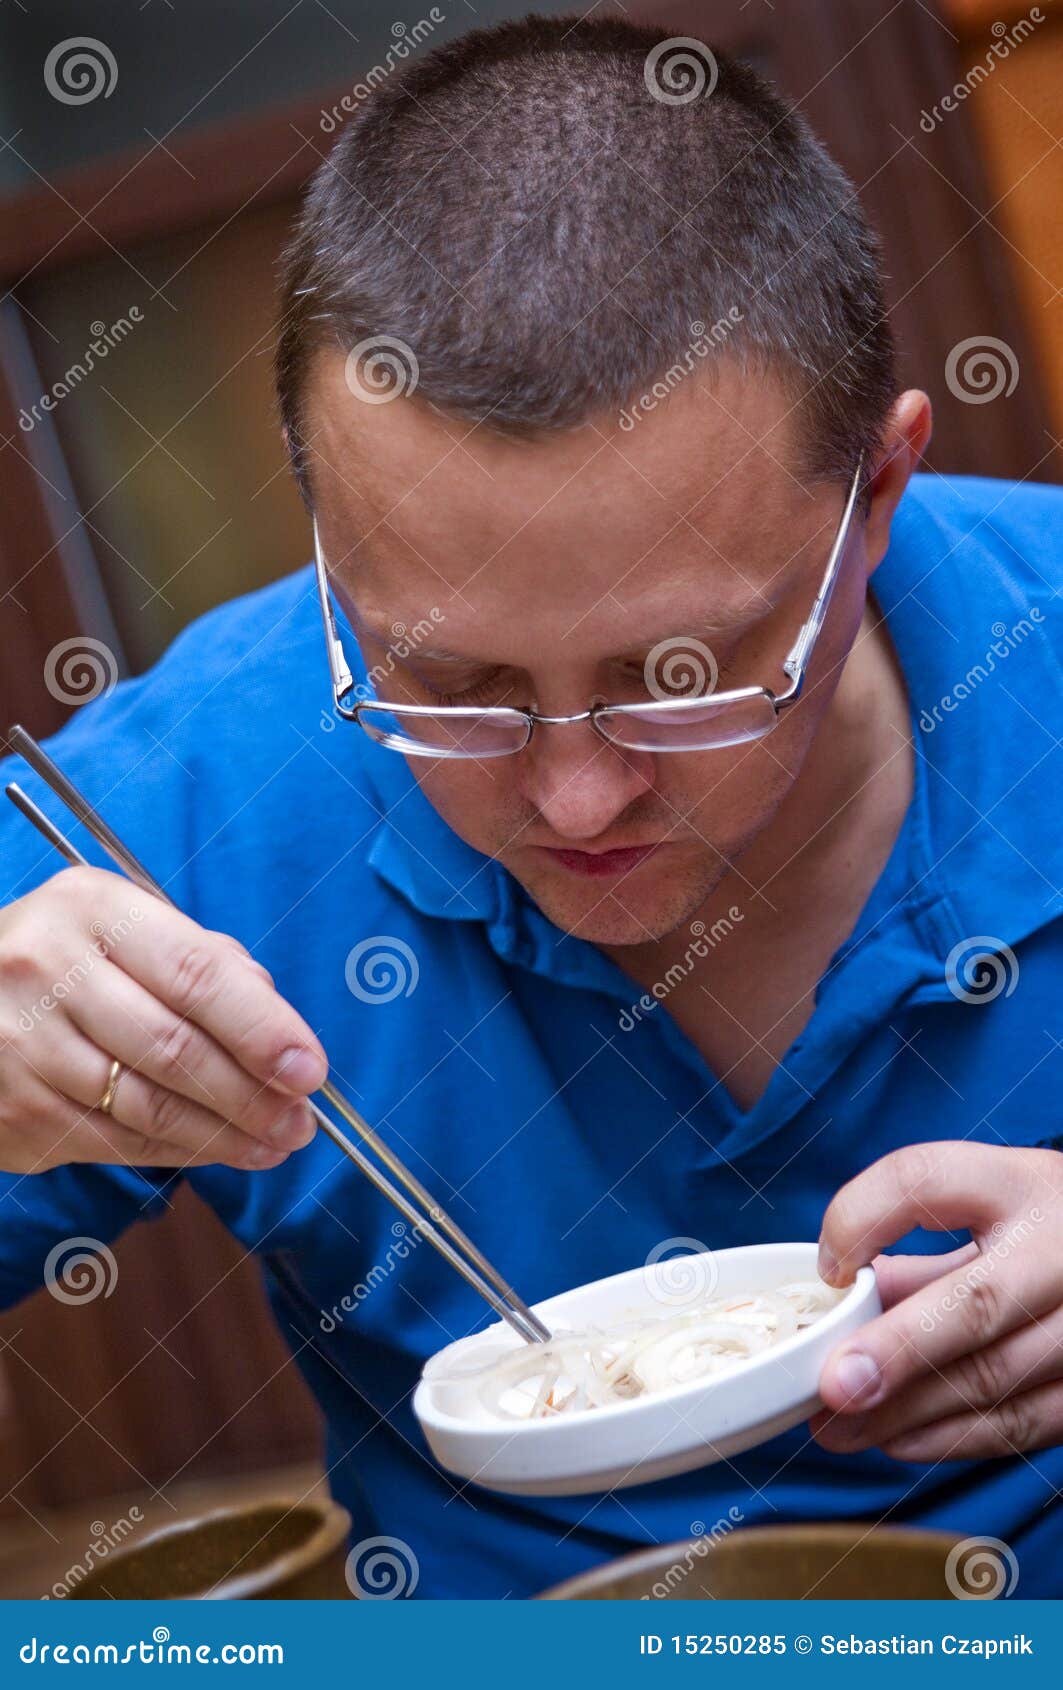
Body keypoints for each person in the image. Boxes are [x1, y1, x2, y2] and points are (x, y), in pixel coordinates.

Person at [1, 16, 1061, 1600]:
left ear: (878, 493)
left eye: (685, 670)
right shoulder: (179, 799)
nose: (574, 792)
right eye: (449, 679)